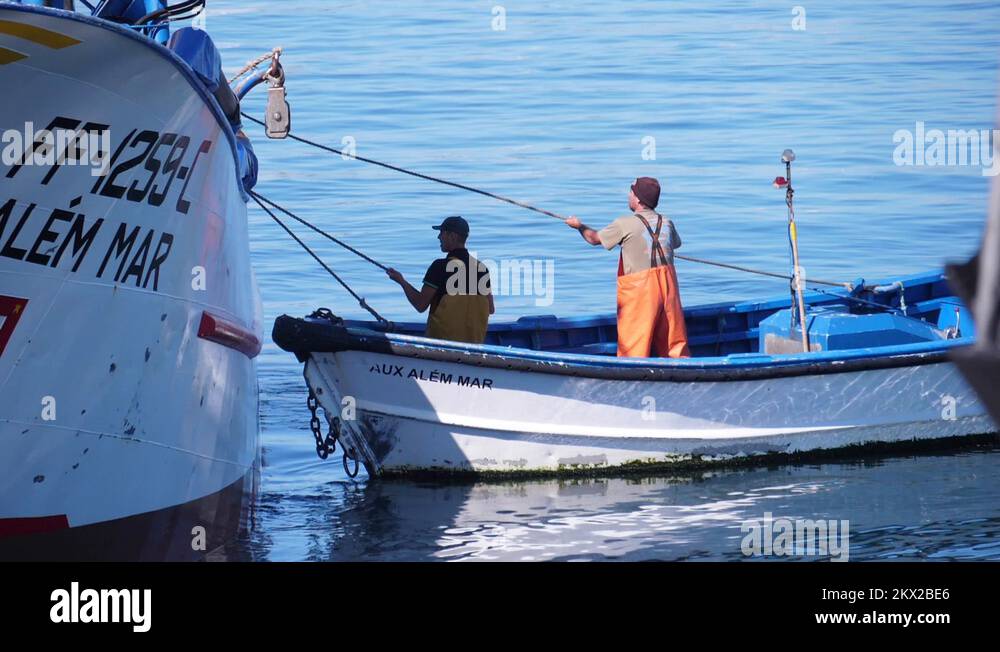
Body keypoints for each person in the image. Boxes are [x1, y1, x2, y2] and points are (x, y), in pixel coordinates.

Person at [565, 177, 690, 358]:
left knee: (634, 345)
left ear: (638, 199)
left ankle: (632, 374)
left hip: (641, 292)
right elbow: (675, 244)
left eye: (631, 192)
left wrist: (578, 226)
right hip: (669, 291)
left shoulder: (624, 223)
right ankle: (681, 369)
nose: (628, 195)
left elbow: (594, 239)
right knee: (673, 342)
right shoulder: (667, 222)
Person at [386, 215, 494, 344]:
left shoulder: (440, 266)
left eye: (441, 233)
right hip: (473, 347)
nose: (438, 237)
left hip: (443, 346)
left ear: (452, 236)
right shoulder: (482, 269)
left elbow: (420, 305)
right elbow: (491, 309)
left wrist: (402, 282)